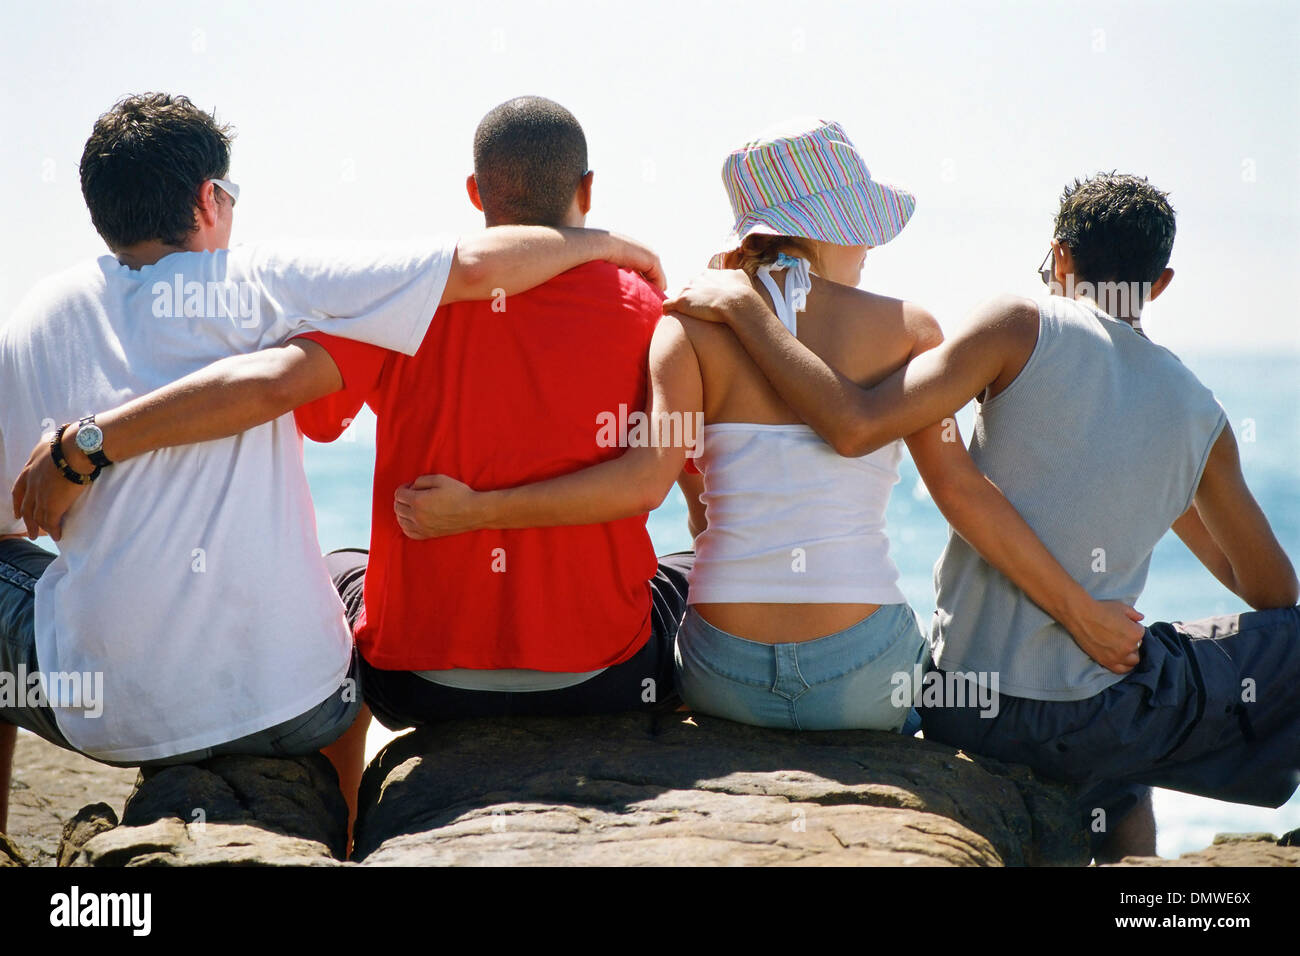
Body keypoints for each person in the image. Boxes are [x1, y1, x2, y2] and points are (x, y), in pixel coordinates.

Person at [1, 92, 665, 837]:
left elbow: (305, 401)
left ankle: (335, 833)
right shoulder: (649, 310)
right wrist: (609, 247)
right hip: (555, 679)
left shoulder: (40, 315)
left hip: (377, 686)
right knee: (664, 576)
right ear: (208, 198)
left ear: (475, 194)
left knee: (343, 569)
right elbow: (686, 479)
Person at [394, 119, 1143, 742]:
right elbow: (963, 496)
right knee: (950, 686)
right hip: (861, 677)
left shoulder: (684, 325)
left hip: (724, 673)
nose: (872, 248)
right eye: (863, 230)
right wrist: (1081, 612)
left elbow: (642, 482)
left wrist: (480, 509)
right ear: (833, 229)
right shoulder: (910, 328)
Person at [660, 170, 1300, 862]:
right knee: (1161, 712)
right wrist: (1153, 495)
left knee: (1116, 773)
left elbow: (878, 434)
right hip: (1093, 710)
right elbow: (1271, 593)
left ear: (1059, 258)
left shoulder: (1017, 324)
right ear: (1163, 282)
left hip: (962, 700)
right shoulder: (1198, 411)